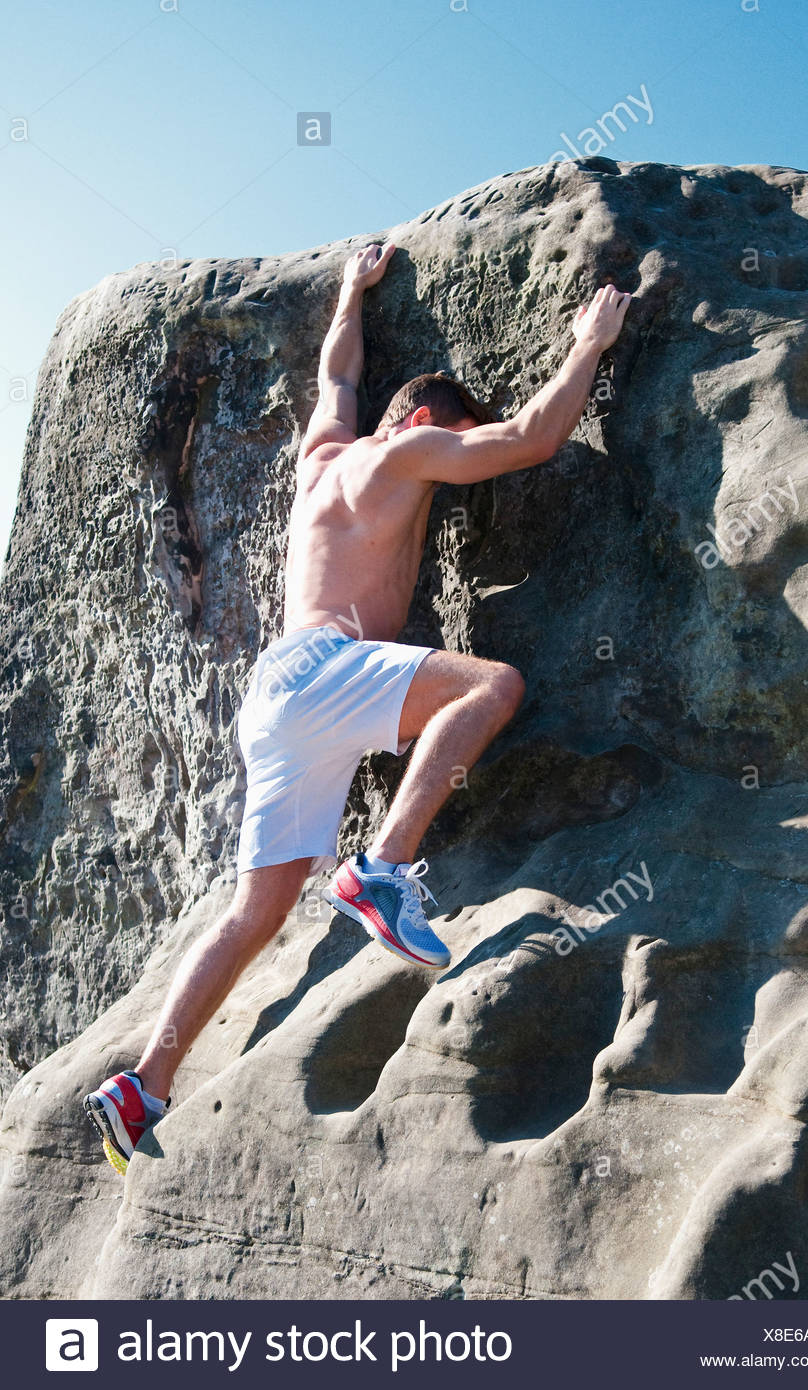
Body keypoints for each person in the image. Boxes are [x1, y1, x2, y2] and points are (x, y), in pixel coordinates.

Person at [84, 241, 632, 1172]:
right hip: (330, 666)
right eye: (452, 437)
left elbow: (338, 372)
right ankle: (384, 867)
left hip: (275, 694)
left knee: (257, 907)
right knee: (493, 687)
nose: (453, 462)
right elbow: (531, 439)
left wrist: (351, 292)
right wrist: (589, 344)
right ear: (422, 418)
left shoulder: (322, 456)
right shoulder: (405, 448)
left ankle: (143, 1084)